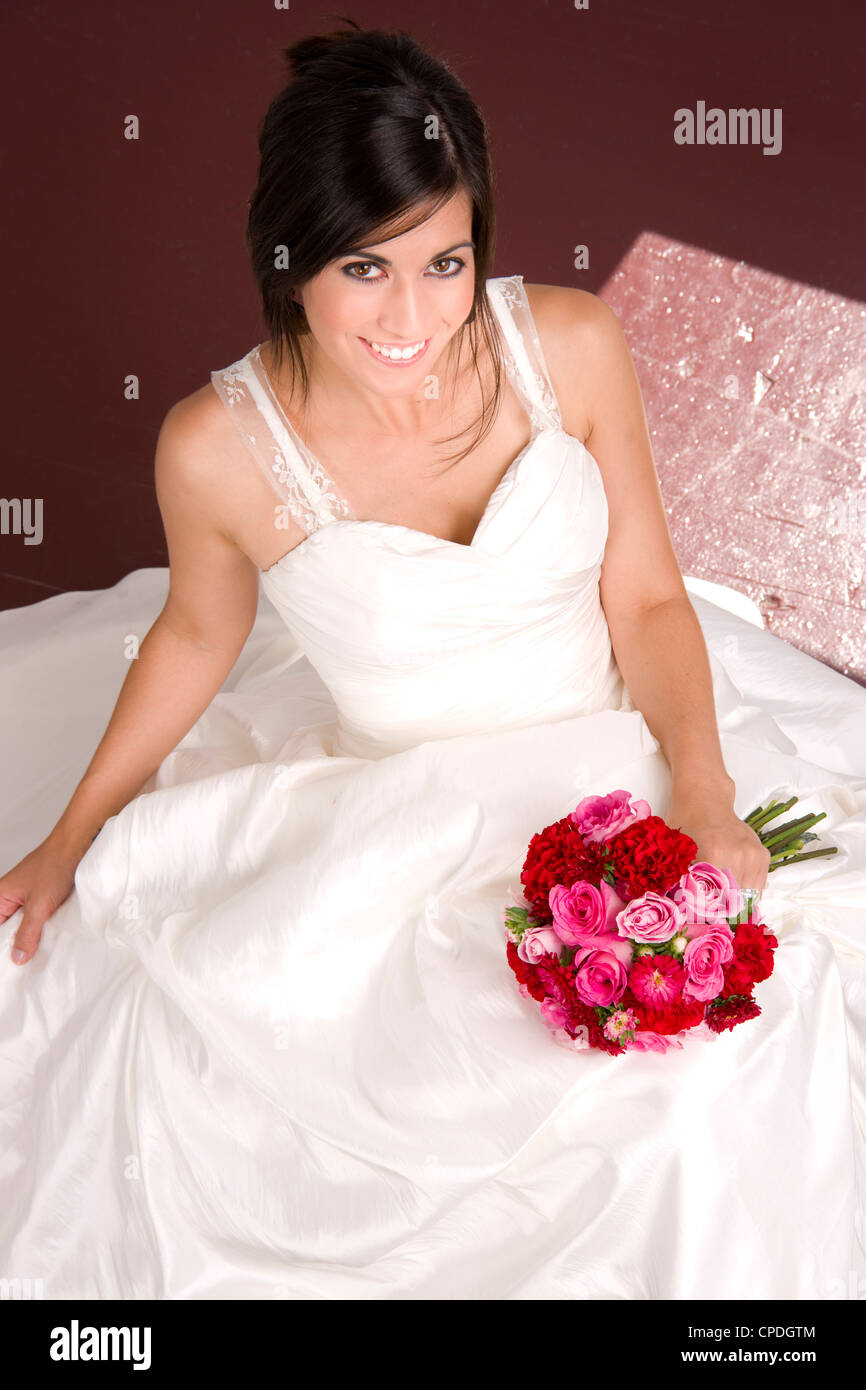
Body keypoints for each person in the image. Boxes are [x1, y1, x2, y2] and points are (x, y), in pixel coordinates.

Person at [1, 20, 864, 1300]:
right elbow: (194, 635)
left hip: (615, 751)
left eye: (445, 261)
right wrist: (71, 834)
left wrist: (702, 785)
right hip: (398, 819)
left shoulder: (567, 345)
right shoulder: (213, 447)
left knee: (710, 1089)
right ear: (288, 257)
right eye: (365, 268)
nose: (412, 318)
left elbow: (643, 595)